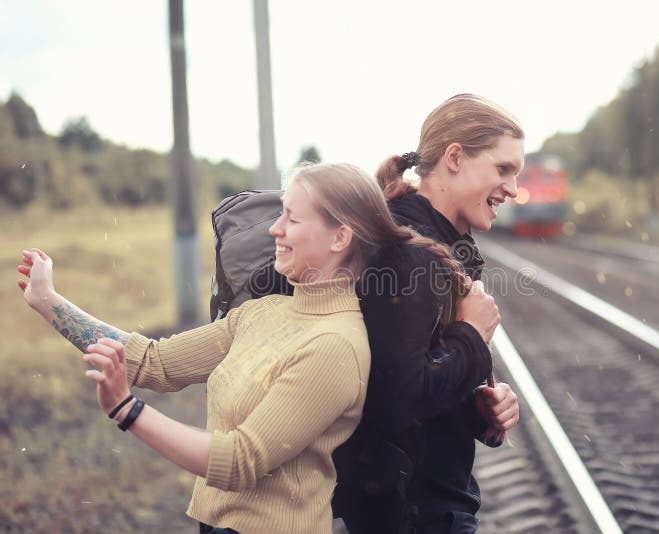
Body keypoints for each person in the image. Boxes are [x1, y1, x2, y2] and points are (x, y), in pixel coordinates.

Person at [16, 163, 472, 534]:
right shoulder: (262, 312)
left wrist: (126, 411)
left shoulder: (336, 346)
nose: (274, 229)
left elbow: (239, 461)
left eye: (291, 218)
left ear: (340, 237)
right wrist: (50, 304)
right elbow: (153, 363)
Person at [333, 94, 523, 533]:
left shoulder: (437, 243)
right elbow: (394, 403)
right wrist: (472, 338)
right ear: (455, 157)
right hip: (408, 514)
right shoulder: (407, 251)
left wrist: (480, 412)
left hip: (421, 504)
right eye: (503, 169)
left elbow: (418, 374)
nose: (513, 189)